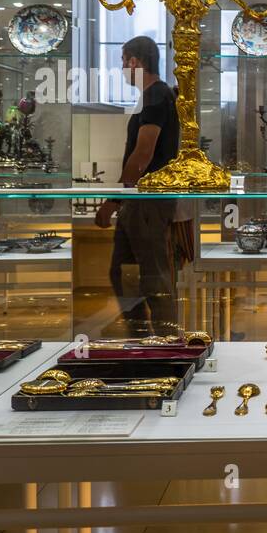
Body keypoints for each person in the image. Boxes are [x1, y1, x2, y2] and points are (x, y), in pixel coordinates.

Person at [94, 36, 180, 336]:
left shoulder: (156, 95)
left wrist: (114, 200)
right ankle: (143, 338)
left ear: (134, 62)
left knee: (153, 277)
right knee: (124, 272)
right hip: (141, 202)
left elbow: (143, 153)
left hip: (147, 202)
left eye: (122, 61)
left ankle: (167, 342)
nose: (121, 68)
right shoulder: (152, 96)